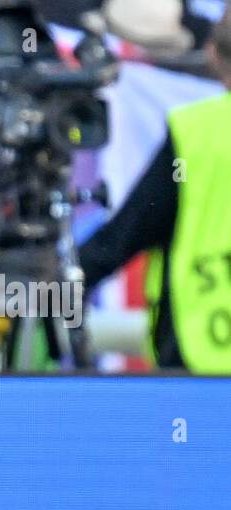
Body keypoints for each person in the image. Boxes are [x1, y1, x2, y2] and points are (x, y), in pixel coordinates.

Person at [79, 7, 231, 372]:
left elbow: (121, 239)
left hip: (201, 361)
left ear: (212, 54)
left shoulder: (198, 131)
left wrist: (36, 295)